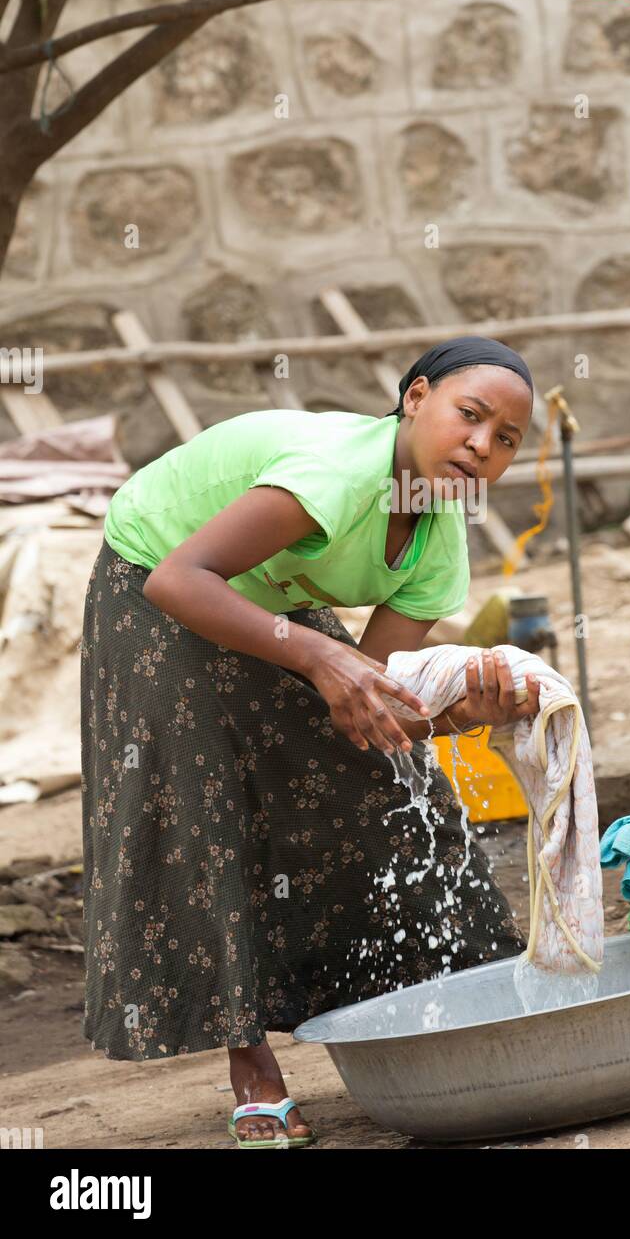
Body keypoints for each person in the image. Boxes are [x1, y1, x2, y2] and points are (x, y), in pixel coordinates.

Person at [80, 334, 542, 1147]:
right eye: (470, 416)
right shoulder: (336, 471)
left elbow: (374, 708)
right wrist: (321, 651)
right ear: (415, 399)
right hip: (156, 574)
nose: (482, 445)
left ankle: (465, 1005)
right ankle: (252, 1064)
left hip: (261, 594)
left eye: (506, 439)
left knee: (391, 778)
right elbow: (178, 580)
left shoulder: (437, 543)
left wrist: (467, 710)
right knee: (206, 800)